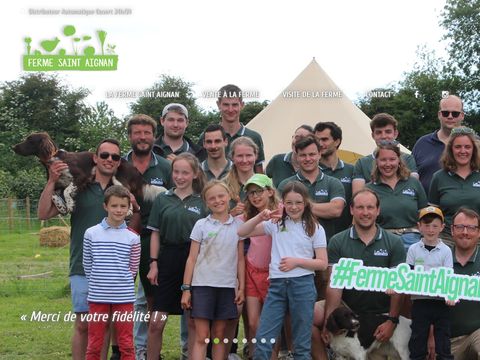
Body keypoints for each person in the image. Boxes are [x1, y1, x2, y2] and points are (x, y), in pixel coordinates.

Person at [38, 138, 132, 360]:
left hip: (111, 271)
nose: (109, 160)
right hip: (82, 266)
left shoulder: (121, 194)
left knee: (104, 324)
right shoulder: (77, 188)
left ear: (119, 163)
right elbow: (43, 213)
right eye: (105, 155)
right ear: (95, 158)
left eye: (115, 157)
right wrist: (52, 180)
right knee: (83, 324)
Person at [311, 189, 406, 360]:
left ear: (378, 210)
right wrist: (328, 322)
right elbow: (334, 285)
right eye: (360, 207)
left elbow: (398, 288)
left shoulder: (394, 242)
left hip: (380, 312)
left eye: (370, 207)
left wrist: (392, 321)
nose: (365, 212)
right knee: (307, 314)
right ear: (351, 210)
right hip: (348, 307)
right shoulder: (338, 241)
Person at [238, 181, 328, 359]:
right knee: (264, 337)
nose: (294, 207)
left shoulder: (314, 227)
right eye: (289, 203)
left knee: (301, 342)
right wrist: (259, 218)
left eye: (298, 203)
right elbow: (242, 232)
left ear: (306, 203)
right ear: (283, 204)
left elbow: (322, 263)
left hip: (302, 285)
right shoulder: (276, 223)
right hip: (277, 286)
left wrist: (297, 262)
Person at [146, 153, 208, 359]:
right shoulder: (162, 198)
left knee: (192, 321)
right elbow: (155, 233)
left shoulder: (203, 201)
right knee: (156, 321)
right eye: (176, 172)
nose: (180, 177)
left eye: (185, 172)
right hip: (168, 259)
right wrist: (153, 263)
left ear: (195, 174)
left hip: (195, 260)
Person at [181, 180, 245, 360]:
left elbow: (240, 259)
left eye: (221, 196)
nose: (217, 201)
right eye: (212, 198)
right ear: (206, 202)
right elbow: (192, 258)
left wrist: (241, 287)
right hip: (202, 286)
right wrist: (186, 289)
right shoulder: (201, 225)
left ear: (229, 197)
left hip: (226, 287)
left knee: (219, 335)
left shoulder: (238, 227)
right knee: (202, 336)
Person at [125, 114, 171, 359]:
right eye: (137, 133)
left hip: (154, 240)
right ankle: (120, 349)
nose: (142, 137)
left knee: (151, 298)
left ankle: (147, 349)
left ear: (154, 136)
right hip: (122, 238)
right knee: (120, 295)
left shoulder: (165, 166)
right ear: (130, 136)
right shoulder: (118, 163)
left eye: (146, 133)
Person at [83, 185, 141, 360]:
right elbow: (87, 264)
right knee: (94, 342)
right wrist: (99, 282)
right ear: (105, 206)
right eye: (114, 206)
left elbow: (133, 268)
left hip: (123, 297)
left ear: (128, 208)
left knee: (126, 343)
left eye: (123, 206)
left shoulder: (133, 237)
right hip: (97, 296)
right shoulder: (91, 233)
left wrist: (120, 283)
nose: (119, 210)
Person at [406, 206, 454, 360]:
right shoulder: (413, 249)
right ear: (419, 226)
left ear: (442, 227)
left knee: (443, 339)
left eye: (435, 225)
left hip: (441, 303)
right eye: (426, 225)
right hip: (420, 301)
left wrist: (450, 294)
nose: (431, 229)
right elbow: (407, 274)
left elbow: (449, 276)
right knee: (418, 337)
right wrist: (395, 286)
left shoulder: (446, 250)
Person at [242, 174, 281, 357]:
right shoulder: (248, 216)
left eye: (259, 191)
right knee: (253, 323)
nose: (255, 196)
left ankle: (273, 355)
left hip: (271, 273)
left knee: (271, 323)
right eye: (251, 193)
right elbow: (240, 233)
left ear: (270, 192)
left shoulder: (281, 211)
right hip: (251, 270)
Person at [278, 135, 345, 241]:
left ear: (319, 154)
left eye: (312, 154)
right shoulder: (285, 185)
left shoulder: (334, 183)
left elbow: (336, 210)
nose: (308, 159)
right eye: (303, 155)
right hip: (293, 246)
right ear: (297, 157)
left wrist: (297, 206)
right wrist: (322, 209)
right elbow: (281, 212)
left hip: (326, 245)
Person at [366, 141, 428, 249]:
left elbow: (424, 214)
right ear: (376, 162)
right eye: (383, 160)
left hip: (413, 239)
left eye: (392, 159)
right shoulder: (369, 189)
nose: (388, 164)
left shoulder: (413, 183)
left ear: (399, 160)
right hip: (382, 240)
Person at [429, 126, 480, 246]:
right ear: (451, 149)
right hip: (446, 241)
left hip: (477, 241)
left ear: (474, 150)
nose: (463, 151)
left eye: (467, 147)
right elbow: (433, 215)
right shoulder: (438, 177)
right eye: (458, 147)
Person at [198, 84, 265, 173]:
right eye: (226, 104)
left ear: (242, 105)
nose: (230, 109)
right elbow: (199, 170)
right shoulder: (206, 137)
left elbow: (259, 174)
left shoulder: (254, 137)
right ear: (218, 105)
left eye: (234, 105)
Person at [352, 113, 418, 195]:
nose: (383, 136)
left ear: (395, 134)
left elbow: (414, 189)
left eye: (388, 132)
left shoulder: (408, 159)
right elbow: (357, 196)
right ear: (373, 135)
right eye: (379, 132)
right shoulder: (362, 163)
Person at [413, 95, 464, 193]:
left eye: (455, 113)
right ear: (439, 114)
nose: (450, 116)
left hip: (464, 207)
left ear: (462, 115)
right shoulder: (422, 143)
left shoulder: (475, 144)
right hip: (426, 207)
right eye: (445, 113)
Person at [449, 208, 480, 359]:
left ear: (479, 232)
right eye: (460, 227)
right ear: (452, 230)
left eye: (471, 228)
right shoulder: (439, 258)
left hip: (477, 334)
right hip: (447, 339)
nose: (465, 232)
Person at [314, 121, 354, 233]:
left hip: (346, 236)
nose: (320, 144)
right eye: (317, 140)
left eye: (324, 139)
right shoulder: (311, 171)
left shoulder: (351, 170)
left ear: (337, 141)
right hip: (316, 235)